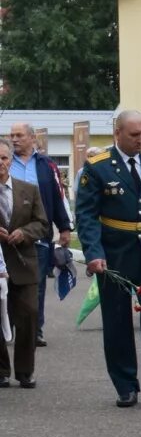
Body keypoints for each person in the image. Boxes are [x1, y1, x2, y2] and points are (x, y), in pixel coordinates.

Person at [75, 110, 141, 409]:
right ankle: (126, 385)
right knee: (117, 320)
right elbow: (86, 216)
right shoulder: (97, 167)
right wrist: (94, 253)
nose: (140, 140)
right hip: (115, 255)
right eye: (134, 135)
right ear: (117, 134)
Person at [9, 123, 72, 349]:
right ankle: (9, 328)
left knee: (36, 285)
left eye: (19, 135)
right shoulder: (4, 161)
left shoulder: (47, 165)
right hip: (7, 235)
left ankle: (35, 329)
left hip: (38, 233)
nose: (15, 139)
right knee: (8, 284)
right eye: (12, 135)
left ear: (32, 138)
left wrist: (64, 227)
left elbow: (57, 197)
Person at [0, 140, 49, 389]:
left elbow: (42, 223)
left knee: (29, 315)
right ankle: (1, 370)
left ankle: (25, 371)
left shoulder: (29, 190)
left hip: (24, 262)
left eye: (4, 158)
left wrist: (25, 232)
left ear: (10, 161)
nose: (0, 163)